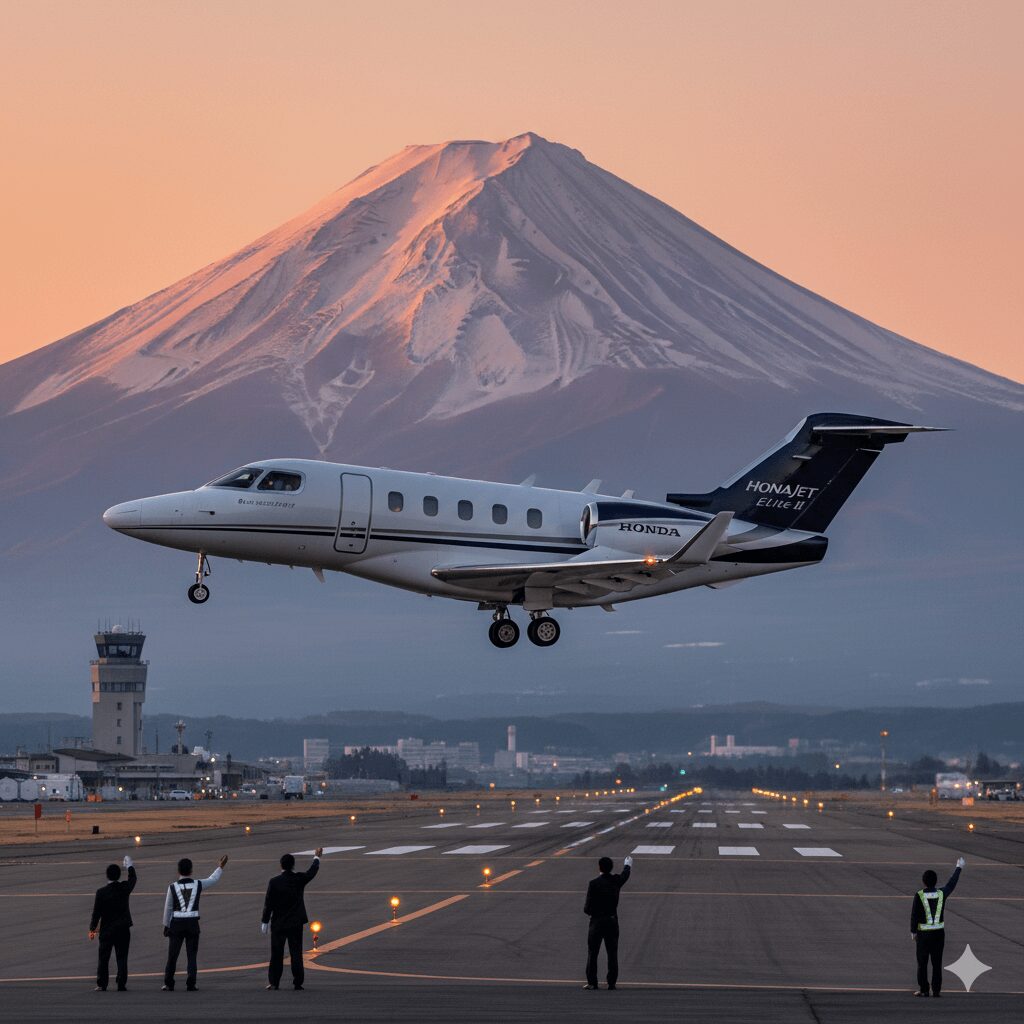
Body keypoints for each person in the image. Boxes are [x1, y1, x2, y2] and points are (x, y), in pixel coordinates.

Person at [161, 854, 229, 991]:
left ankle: (169, 983)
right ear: (191, 870)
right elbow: (213, 879)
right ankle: (191, 983)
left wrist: (166, 925)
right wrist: (220, 867)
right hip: (192, 925)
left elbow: (168, 907)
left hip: (177, 925)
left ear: (178, 871)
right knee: (191, 955)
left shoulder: (172, 887)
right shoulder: (198, 884)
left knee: (172, 955)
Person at [261, 847, 323, 990]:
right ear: (293, 865)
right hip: (295, 923)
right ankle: (298, 982)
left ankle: (274, 982)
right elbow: (311, 873)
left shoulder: (274, 882)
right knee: (296, 953)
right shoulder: (298, 879)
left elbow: (268, 903)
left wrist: (265, 921)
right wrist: (317, 858)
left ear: (281, 865)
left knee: (276, 954)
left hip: (278, 923)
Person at [911, 856, 965, 997]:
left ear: (924, 882)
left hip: (923, 935)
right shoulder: (941, 893)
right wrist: (959, 868)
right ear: (935, 882)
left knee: (922, 963)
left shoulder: (919, 895)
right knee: (936, 963)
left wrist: (913, 932)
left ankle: (924, 989)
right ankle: (936, 990)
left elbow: (914, 915)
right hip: (938, 934)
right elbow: (951, 884)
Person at [88, 855, 137, 991]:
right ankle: (121, 983)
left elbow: (96, 913)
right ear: (118, 875)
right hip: (123, 928)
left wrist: (92, 929)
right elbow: (133, 880)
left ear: (107, 876)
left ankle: (102, 983)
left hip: (107, 929)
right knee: (122, 957)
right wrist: (130, 866)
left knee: (103, 958)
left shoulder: (101, 892)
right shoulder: (124, 888)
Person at [583, 855, 632, 990]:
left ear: (599, 867)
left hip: (597, 922)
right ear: (611, 868)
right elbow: (624, 876)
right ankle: (611, 982)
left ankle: (592, 982)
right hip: (611, 920)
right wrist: (628, 865)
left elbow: (586, 908)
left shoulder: (593, 883)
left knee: (593, 953)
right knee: (612, 952)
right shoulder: (616, 881)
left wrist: (595, 913)